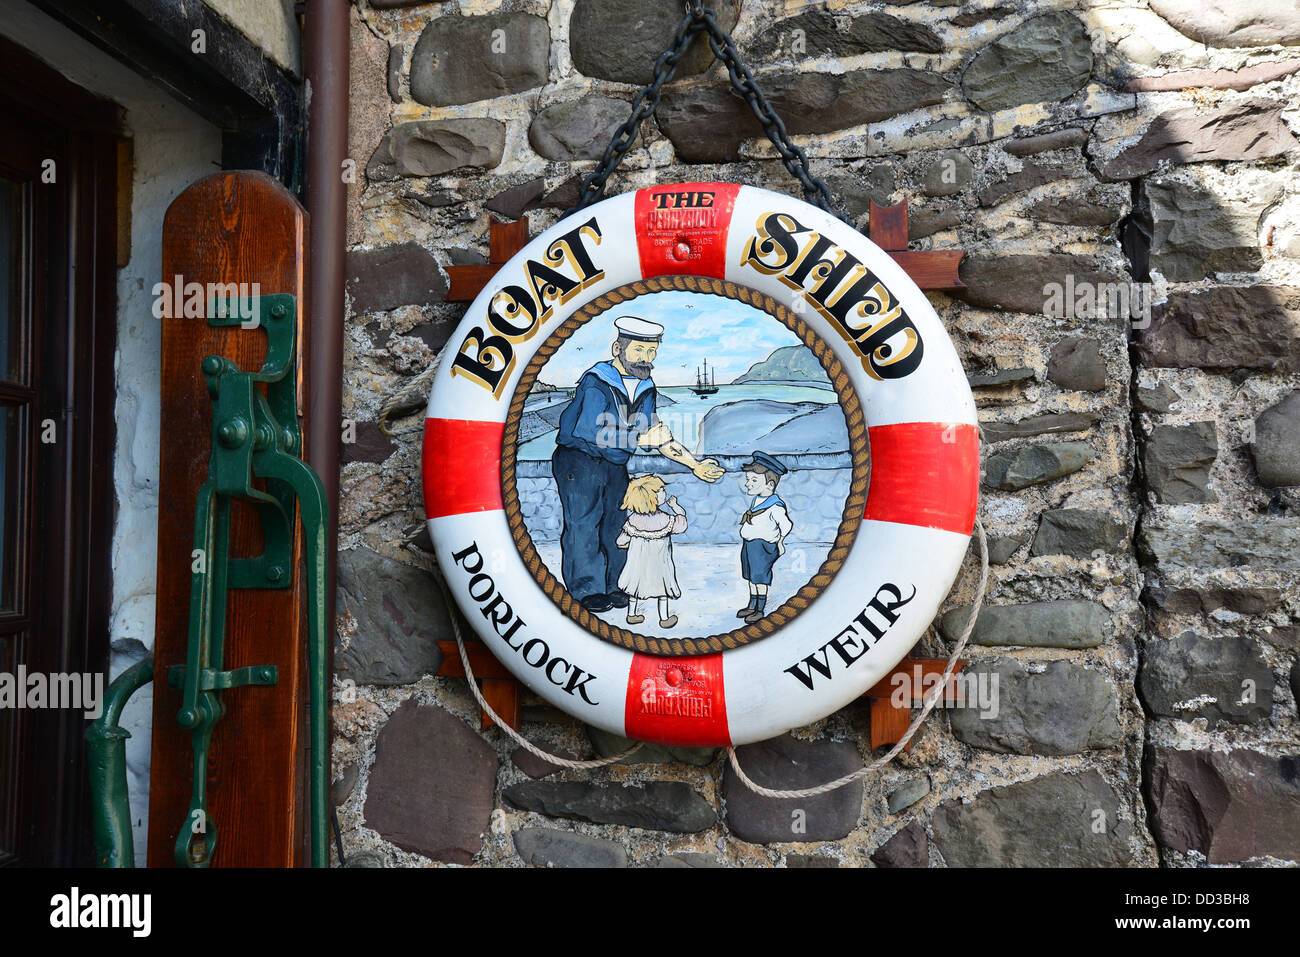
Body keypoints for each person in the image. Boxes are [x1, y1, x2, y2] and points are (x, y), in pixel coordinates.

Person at [552, 315, 723, 612]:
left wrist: (694, 465)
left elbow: (656, 435)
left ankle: (616, 585)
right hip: (579, 461)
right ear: (618, 348)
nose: (646, 359)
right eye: (639, 351)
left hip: (614, 462)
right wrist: (640, 440)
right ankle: (587, 590)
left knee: (616, 523)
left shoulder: (646, 388)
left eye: (651, 352)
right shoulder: (596, 382)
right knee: (584, 523)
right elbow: (590, 430)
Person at [615, 475, 687, 629]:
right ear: (650, 498)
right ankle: (664, 618)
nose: (664, 493)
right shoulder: (665, 519)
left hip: (638, 563)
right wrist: (676, 507)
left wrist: (627, 545)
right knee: (662, 590)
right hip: (659, 564)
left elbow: (621, 540)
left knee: (634, 587)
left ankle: (632, 615)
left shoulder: (633, 520)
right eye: (660, 491)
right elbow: (681, 524)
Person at [737, 451, 793, 624]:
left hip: (763, 547)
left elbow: (787, 525)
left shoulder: (775, 506)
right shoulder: (757, 500)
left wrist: (780, 542)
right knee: (750, 577)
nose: (747, 483)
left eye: (753, 480)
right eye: (748, 479)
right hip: (750, 545)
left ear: (769, 484)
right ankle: (751, 604)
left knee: (760, 578)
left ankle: (759, 609)